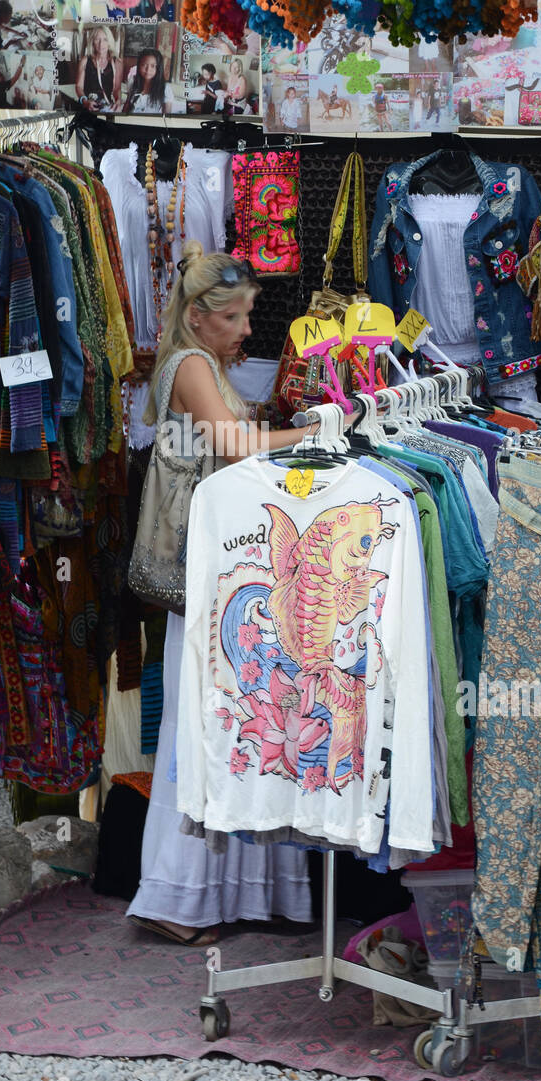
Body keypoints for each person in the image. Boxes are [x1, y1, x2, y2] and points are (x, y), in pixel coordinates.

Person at [127, 243, 360, 945]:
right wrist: (320, 434)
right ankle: (174, 898)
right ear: (198, 319)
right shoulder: (191, 366)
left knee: (226, 724)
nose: (245, 328)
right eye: (234, 316)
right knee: (201, 728)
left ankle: (209, 894)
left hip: (218, 570)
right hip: (203, 573)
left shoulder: (202, 365)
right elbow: (234, 446)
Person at [75, 25, 121, 112]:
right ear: (92, 42)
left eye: (105, 39)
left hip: (107, 107)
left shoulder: (117, 63)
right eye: (97, 39)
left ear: (109, 41)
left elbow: (117, 88)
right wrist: (85, 101)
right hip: (87, 106)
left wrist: (118, 100)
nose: (101, 44)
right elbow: (79, 86)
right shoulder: (85, 61)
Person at [122, 47, 175, 115]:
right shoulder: (133, 83)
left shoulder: (165, 89)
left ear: (158, 68)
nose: (148, 70)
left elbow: (167, 116)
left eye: (153, 66)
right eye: (144, 65)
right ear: (139, 65)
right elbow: (126, 108)